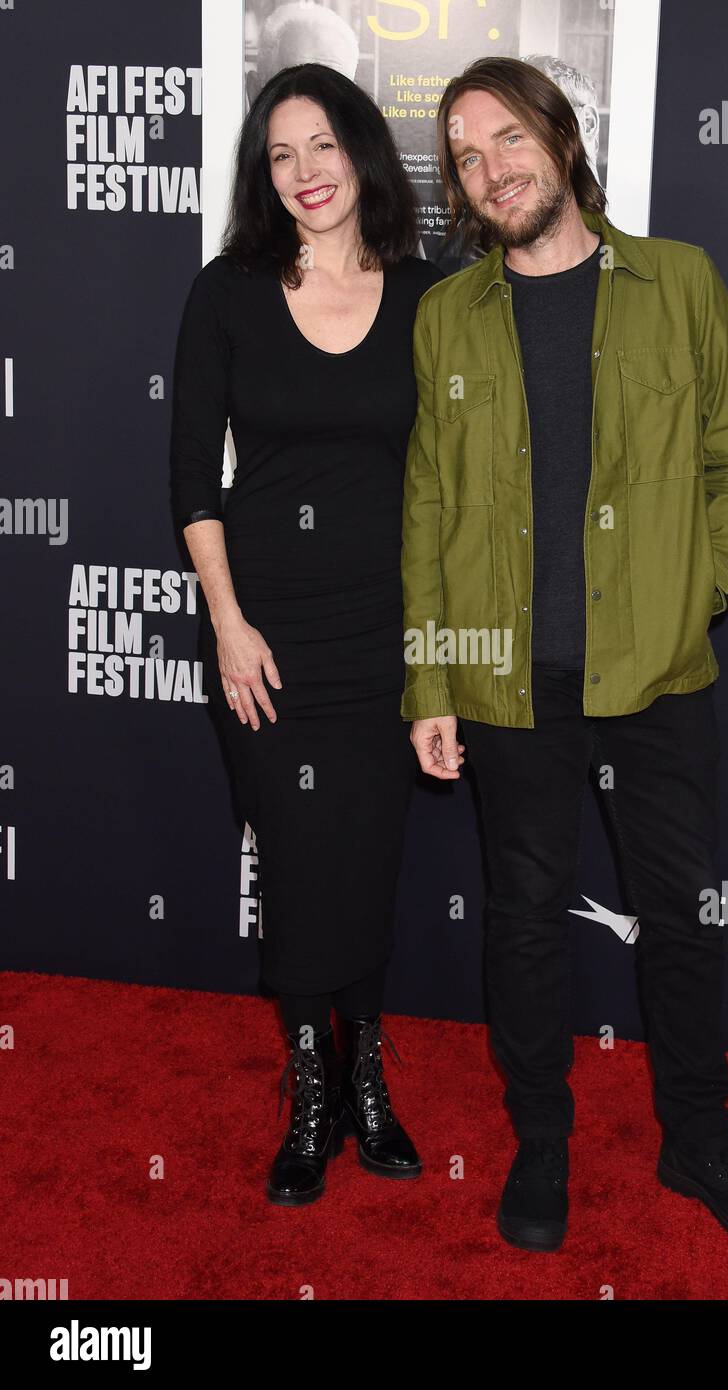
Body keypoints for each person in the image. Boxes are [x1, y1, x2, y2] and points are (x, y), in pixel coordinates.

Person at [401, 56, 728, 1254]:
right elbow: (426, 507)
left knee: (676, 921)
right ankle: (539, 1146)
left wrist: (700, 582)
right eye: (465, 158)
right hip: (509, 684)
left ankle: (700, 1143)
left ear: (563, 141)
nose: (490, 170)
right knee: (523, 920)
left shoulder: (678, 282)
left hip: (659, 677)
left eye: (508, 139)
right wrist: (431, 676)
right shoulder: (445, 316)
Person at [169, 63, 444, 1206]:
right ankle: (309, 1079)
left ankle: (365, 1066)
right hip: (266, 633)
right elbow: (191, 478)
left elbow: (452, 485)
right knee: (291, 856)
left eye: (322, 145)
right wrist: (228, 624)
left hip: (382, 631)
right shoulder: (227, 292)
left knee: (366, 857)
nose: (304, 173)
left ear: (361, 150)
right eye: (280, 155)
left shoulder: (430, 295)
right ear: (261, 173)